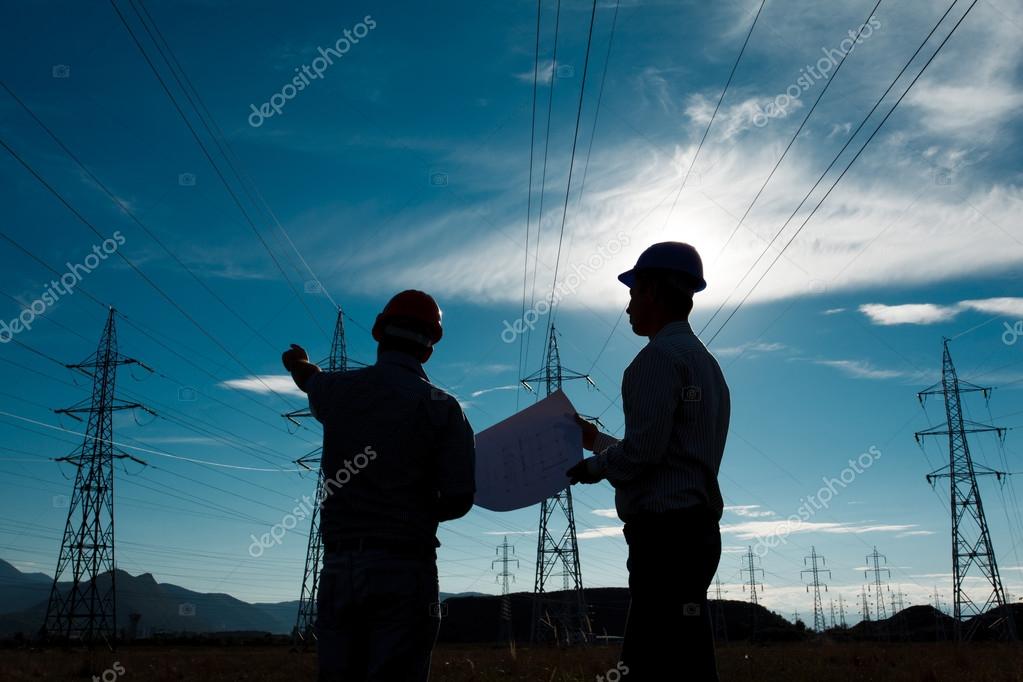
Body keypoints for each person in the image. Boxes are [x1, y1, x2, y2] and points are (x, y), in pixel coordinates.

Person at [282, 289, 476, 682]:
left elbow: (310, 379)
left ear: (377, 333)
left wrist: (296, 361)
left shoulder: (338, 391)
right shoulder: (442, 407)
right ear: (429, 350)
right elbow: (459, 499)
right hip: (404, 567)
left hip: (338, 568)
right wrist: (415, 508)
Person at [566, 242, 730, 681]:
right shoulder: (706, 365)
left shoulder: (655, 360)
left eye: (634, 294)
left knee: (647, 659)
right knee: (688, 656)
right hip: (696, 533)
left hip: (664, 537)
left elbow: (641, 453)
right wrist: (595, 441)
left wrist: (590, 468)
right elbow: (660, 449)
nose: (628, 308)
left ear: (654, 291)